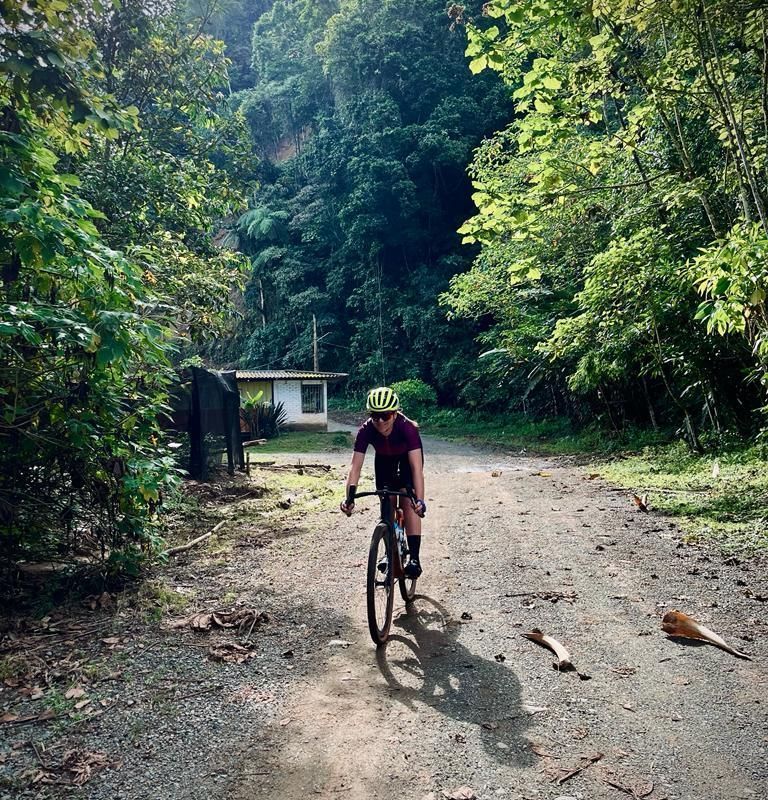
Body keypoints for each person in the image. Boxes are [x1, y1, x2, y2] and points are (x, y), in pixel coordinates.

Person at [340, 386, 427, 578]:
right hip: (384, 462)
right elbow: (355, 467)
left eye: (385, 416)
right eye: (375, 415)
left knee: (408, 501)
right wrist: (349, 498)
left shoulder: (408, 428)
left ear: (395, 414)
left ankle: (414, 558)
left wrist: (419, 500)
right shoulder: (366, 430)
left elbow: (416, 470)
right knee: (386, 501)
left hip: (407, 461)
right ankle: (389, 553)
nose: (380, 421)